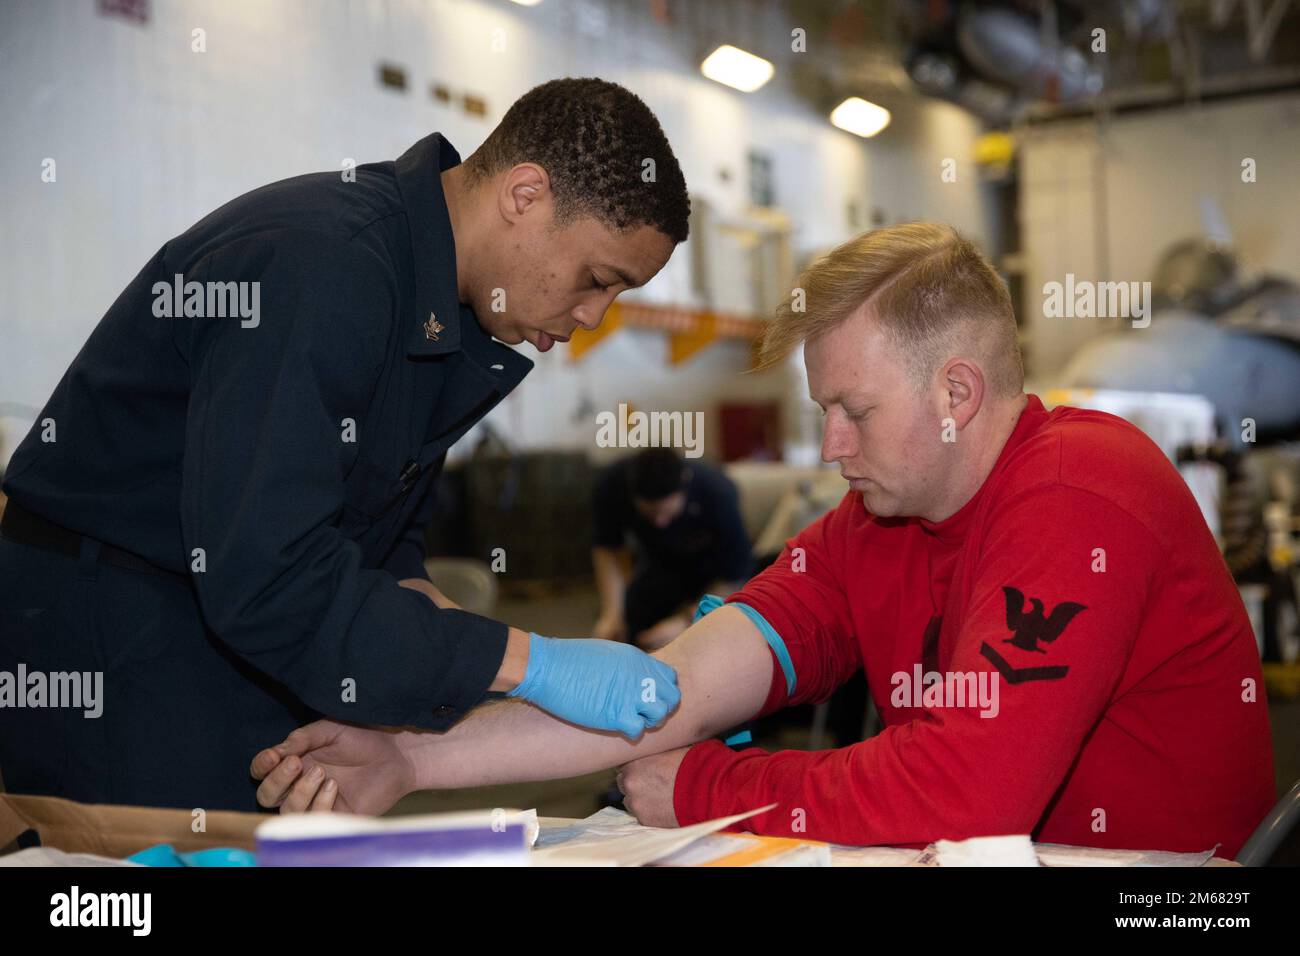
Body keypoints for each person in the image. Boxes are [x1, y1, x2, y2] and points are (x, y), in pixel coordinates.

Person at [251, 222, 1275, 855]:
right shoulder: (874, 521)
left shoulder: (1081, 489)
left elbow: (973, 786)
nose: (829, 445)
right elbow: (674, 693)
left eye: (851, 409)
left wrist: (710, 785)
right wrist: (410, 759)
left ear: (957, 392)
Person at [0, 78, 690, 811]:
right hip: (118, 636)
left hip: (225, 628)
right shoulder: (326, 267)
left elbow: (379, 547)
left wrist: (460, 644)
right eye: (596, 280)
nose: (592, 315)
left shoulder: (439, 313)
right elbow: (273, 571)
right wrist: (533, 662)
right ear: (525, 195)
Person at [592, 448, 753, 651]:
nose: (660, 522)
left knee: (706, 635)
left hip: (714, 568)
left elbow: (734, 577)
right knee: (627, 625)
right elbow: (608, 549)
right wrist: (612, 614)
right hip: (660, 562)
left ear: (684, 488)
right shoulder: (610, 485)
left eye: (665, 512)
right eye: (651, 514)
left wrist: (686, 621)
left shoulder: (718, 494)